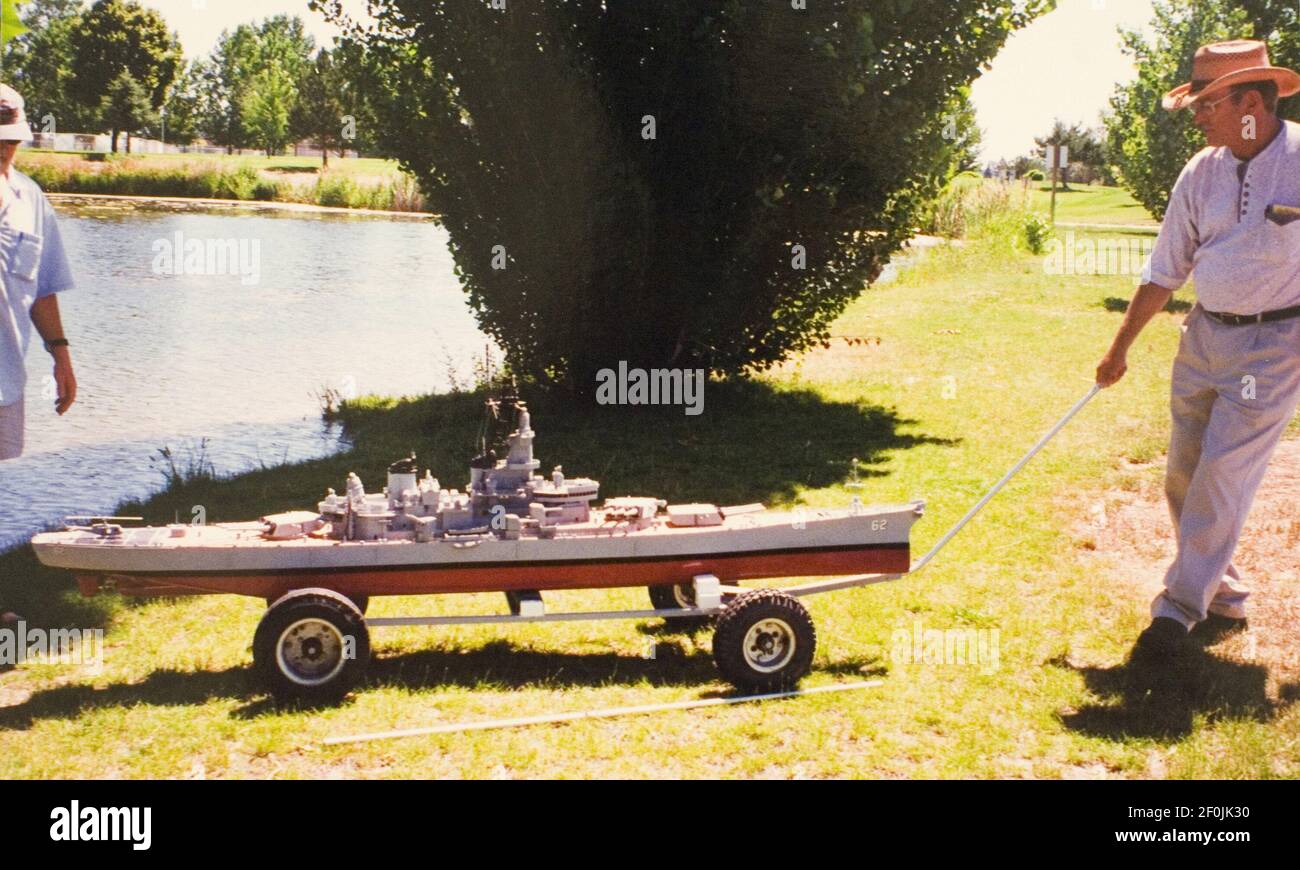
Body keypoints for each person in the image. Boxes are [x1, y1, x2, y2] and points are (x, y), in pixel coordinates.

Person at [1095, 40, 1300, 667]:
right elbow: (1166, 268)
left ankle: (1178, 609)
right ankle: (1226, 592)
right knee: (1183, 472)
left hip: (1276, 342)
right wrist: (1118, 349)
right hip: (1204, 334)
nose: (1197, 113)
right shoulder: (1200, 170)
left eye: (1208, 101)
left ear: (1251, 102)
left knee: (1222, 471)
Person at [0, 83, 77, 462]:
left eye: (10, 139)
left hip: (7, 383)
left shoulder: (30, 199)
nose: (3, 147)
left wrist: (61, 357)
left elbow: (42, 288)